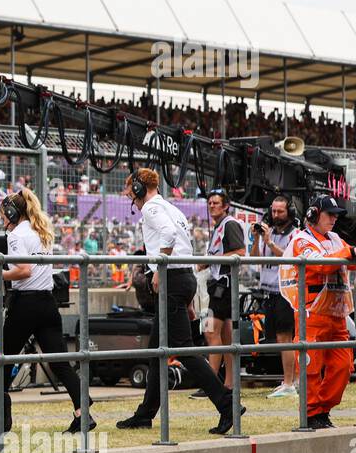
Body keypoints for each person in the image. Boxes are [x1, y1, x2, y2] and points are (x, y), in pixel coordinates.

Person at [116, 168, 243, 435]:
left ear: (140, 189)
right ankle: (145, 413)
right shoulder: (170, 208)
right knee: (154, 354)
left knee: (183, 350)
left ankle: (225, 403)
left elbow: (169, 236)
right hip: (182, 279)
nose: (133, 202)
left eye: (133, 195)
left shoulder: (152, 208)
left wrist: (159, 270)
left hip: (172, 278)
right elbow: (179, 240)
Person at [0, 187, 86, 433]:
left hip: (26, 304)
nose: (2, 220)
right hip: (47, 302)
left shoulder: (16, 236)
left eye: (3, 215)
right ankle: (82, 413)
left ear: (12, 212)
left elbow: (23, 270)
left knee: (3, 359)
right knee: (61, 363)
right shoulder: (41, 231)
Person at [279, 195, 356, 429]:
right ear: (314, 215)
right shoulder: (301, 240)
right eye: (330, 214)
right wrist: (354, 252)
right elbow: (322, 264)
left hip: (337, 316)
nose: (335, 219)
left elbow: (350, 254)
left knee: (343, 366)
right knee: (311, 367)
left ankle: (321, 410)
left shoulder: (335, 239)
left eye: (337, 214)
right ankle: (311, 414)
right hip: (312, 313)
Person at [195, 189, 246, 394]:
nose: (212, 206)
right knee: (226, 336)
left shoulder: (230, 224)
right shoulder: (219, 226)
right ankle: (229, 384)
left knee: (210, 331)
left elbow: (240, 251)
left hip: (224, 285)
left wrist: (210, 260)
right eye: (210, 203)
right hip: (219, 284)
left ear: (226, 206)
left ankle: (211, 383)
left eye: (216, 203)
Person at [254, 195, 300, 399]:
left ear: (289, 212)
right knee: (278, 338)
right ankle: (291, 380)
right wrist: (257, 238)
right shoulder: (268, 232)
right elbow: (254, 258)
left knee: (285, 337)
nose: (275, 215)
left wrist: (270, 243)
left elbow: (290, 258)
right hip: (268, 290)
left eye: (280, 211)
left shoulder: (296, 235)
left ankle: (290, 382)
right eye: (273, 211)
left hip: (285, 292)